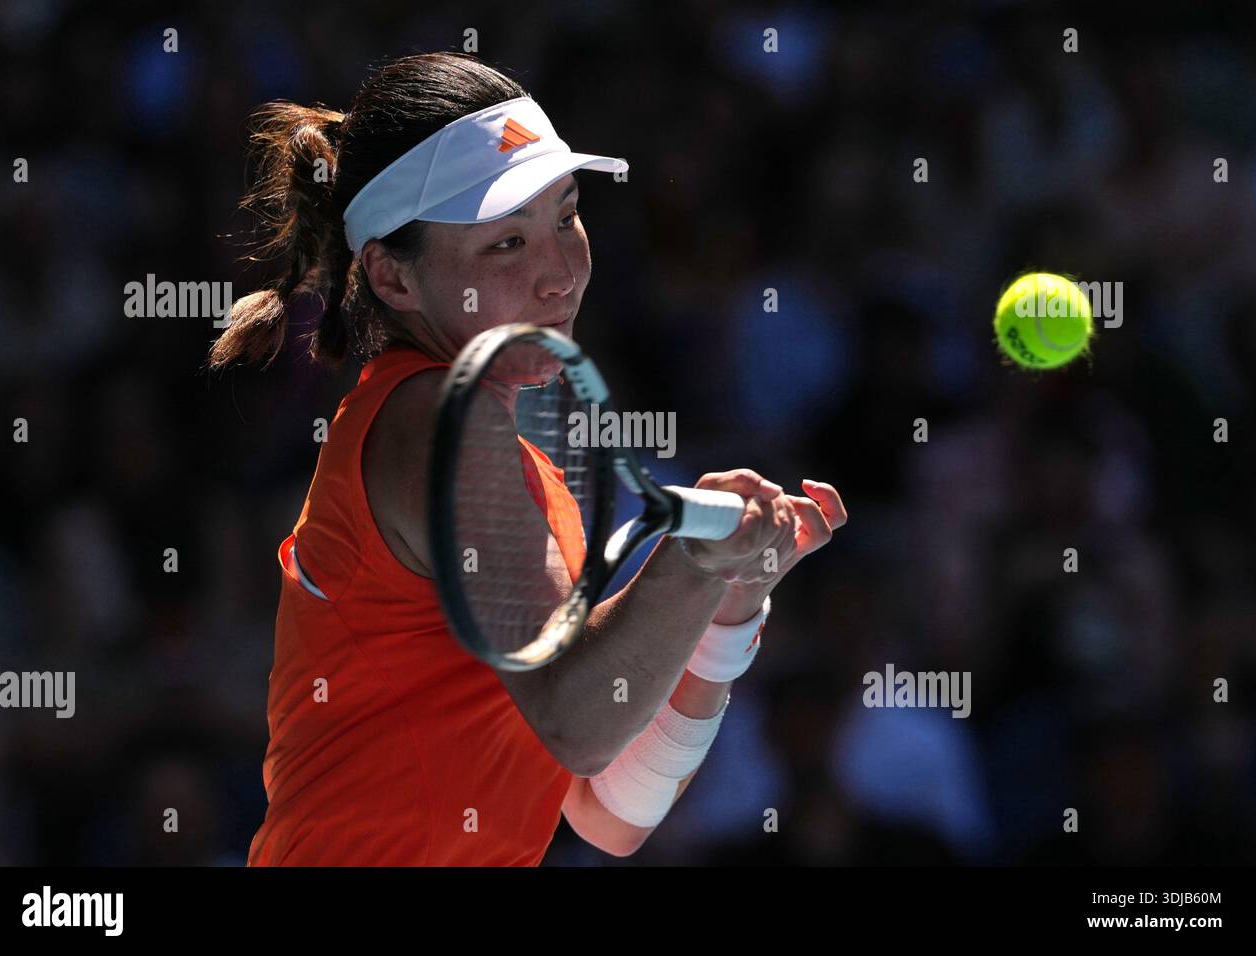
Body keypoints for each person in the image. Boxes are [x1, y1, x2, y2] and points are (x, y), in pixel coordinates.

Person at [209, 52, 846, 865]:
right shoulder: (443, 419)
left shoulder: (514, 465)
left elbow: (612, 812)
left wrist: (726, 606)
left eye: (566, 216)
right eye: (507, 243)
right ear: (391, 276)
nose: (563, 272)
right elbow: (578, 718)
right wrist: (688, 560)